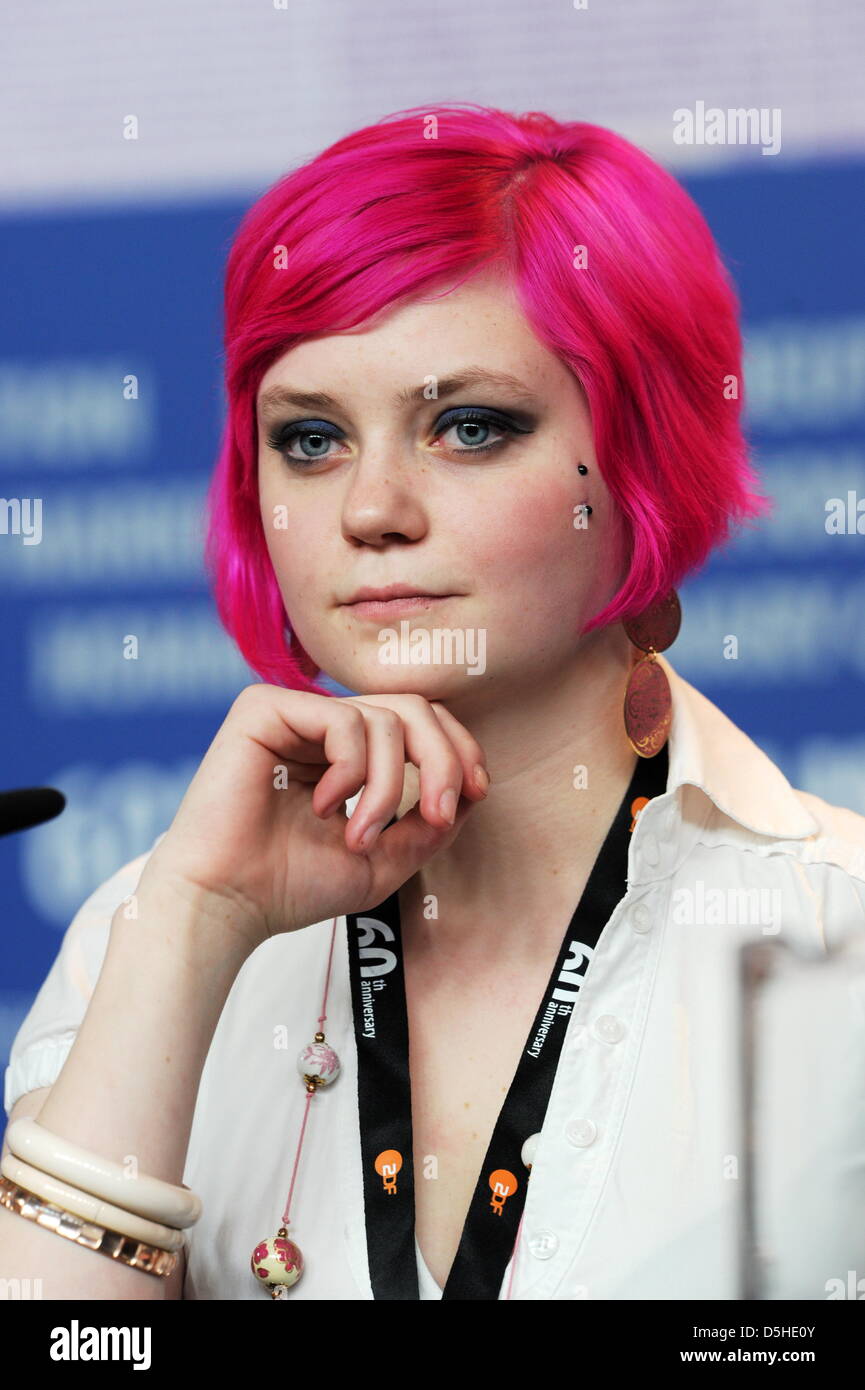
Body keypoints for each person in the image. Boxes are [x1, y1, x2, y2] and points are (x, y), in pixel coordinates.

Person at [2, 102, 864, 1302]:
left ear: (640, 456)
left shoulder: (842, 934)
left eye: (467, 426)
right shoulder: (144, 935)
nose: (370, 508)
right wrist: (192, 920)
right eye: (309, 439)